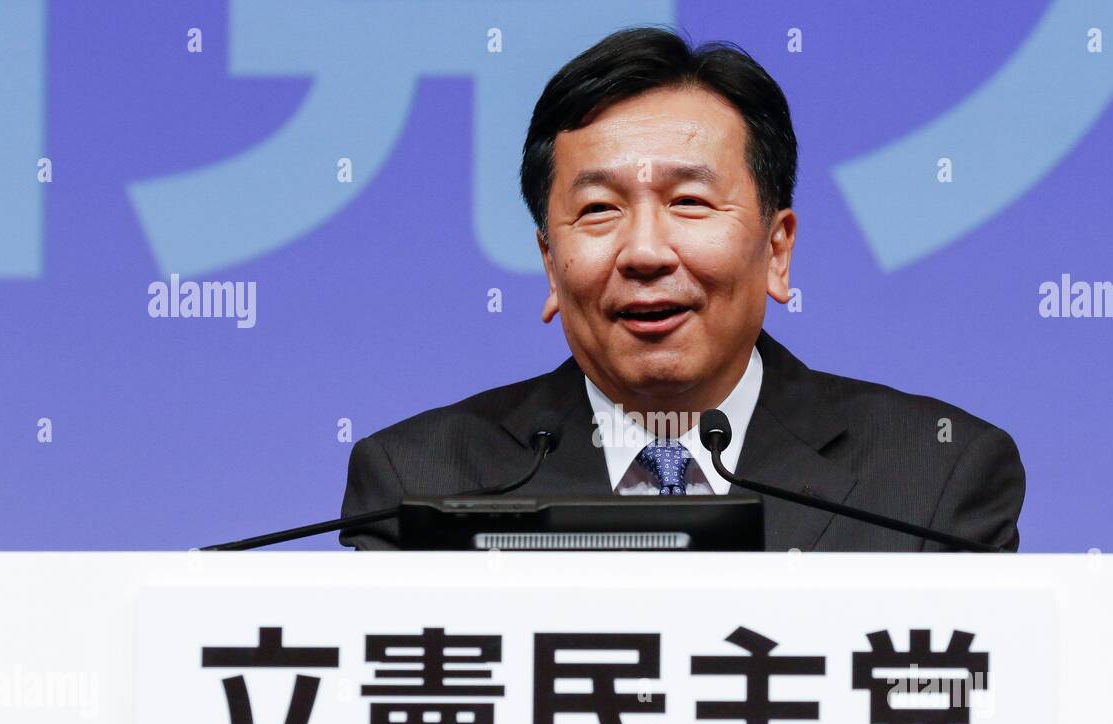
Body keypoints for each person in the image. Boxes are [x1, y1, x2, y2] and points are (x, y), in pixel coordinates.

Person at [341, 27, 1025, 552]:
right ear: (551, 265)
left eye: (690, 201)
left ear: (777, 249)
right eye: (599, 209)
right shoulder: (416, 483)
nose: (643, 252)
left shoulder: (935, 476)